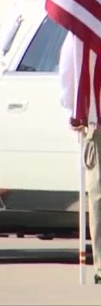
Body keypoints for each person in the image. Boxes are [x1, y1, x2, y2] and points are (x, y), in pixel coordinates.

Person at [58, 32, 101, 284]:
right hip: (98, 118)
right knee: (98, 192)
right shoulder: (86, 21)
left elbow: (68, 67)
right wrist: (77, 110)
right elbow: (70, 64)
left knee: (98, 192)